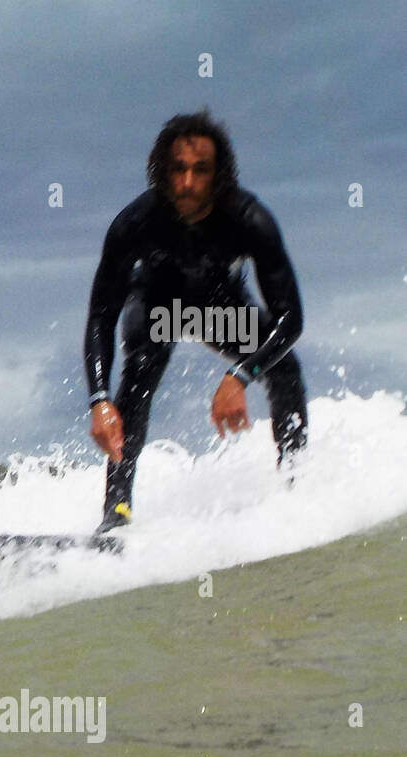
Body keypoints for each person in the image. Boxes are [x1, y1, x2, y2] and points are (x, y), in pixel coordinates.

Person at [83, 109, 308, 533]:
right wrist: (98, 399)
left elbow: (291, 318)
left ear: (219, 175)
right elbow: (101, 316)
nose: (187, 183)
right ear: (161, 172)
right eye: (178, 170)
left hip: (219, 312)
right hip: (157, 308)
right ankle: (117, 514)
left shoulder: (249, 219)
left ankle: (296, 486)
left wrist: (240, 375)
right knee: (139, 376)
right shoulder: (134, 223)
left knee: (285, 371)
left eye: (200, 171)